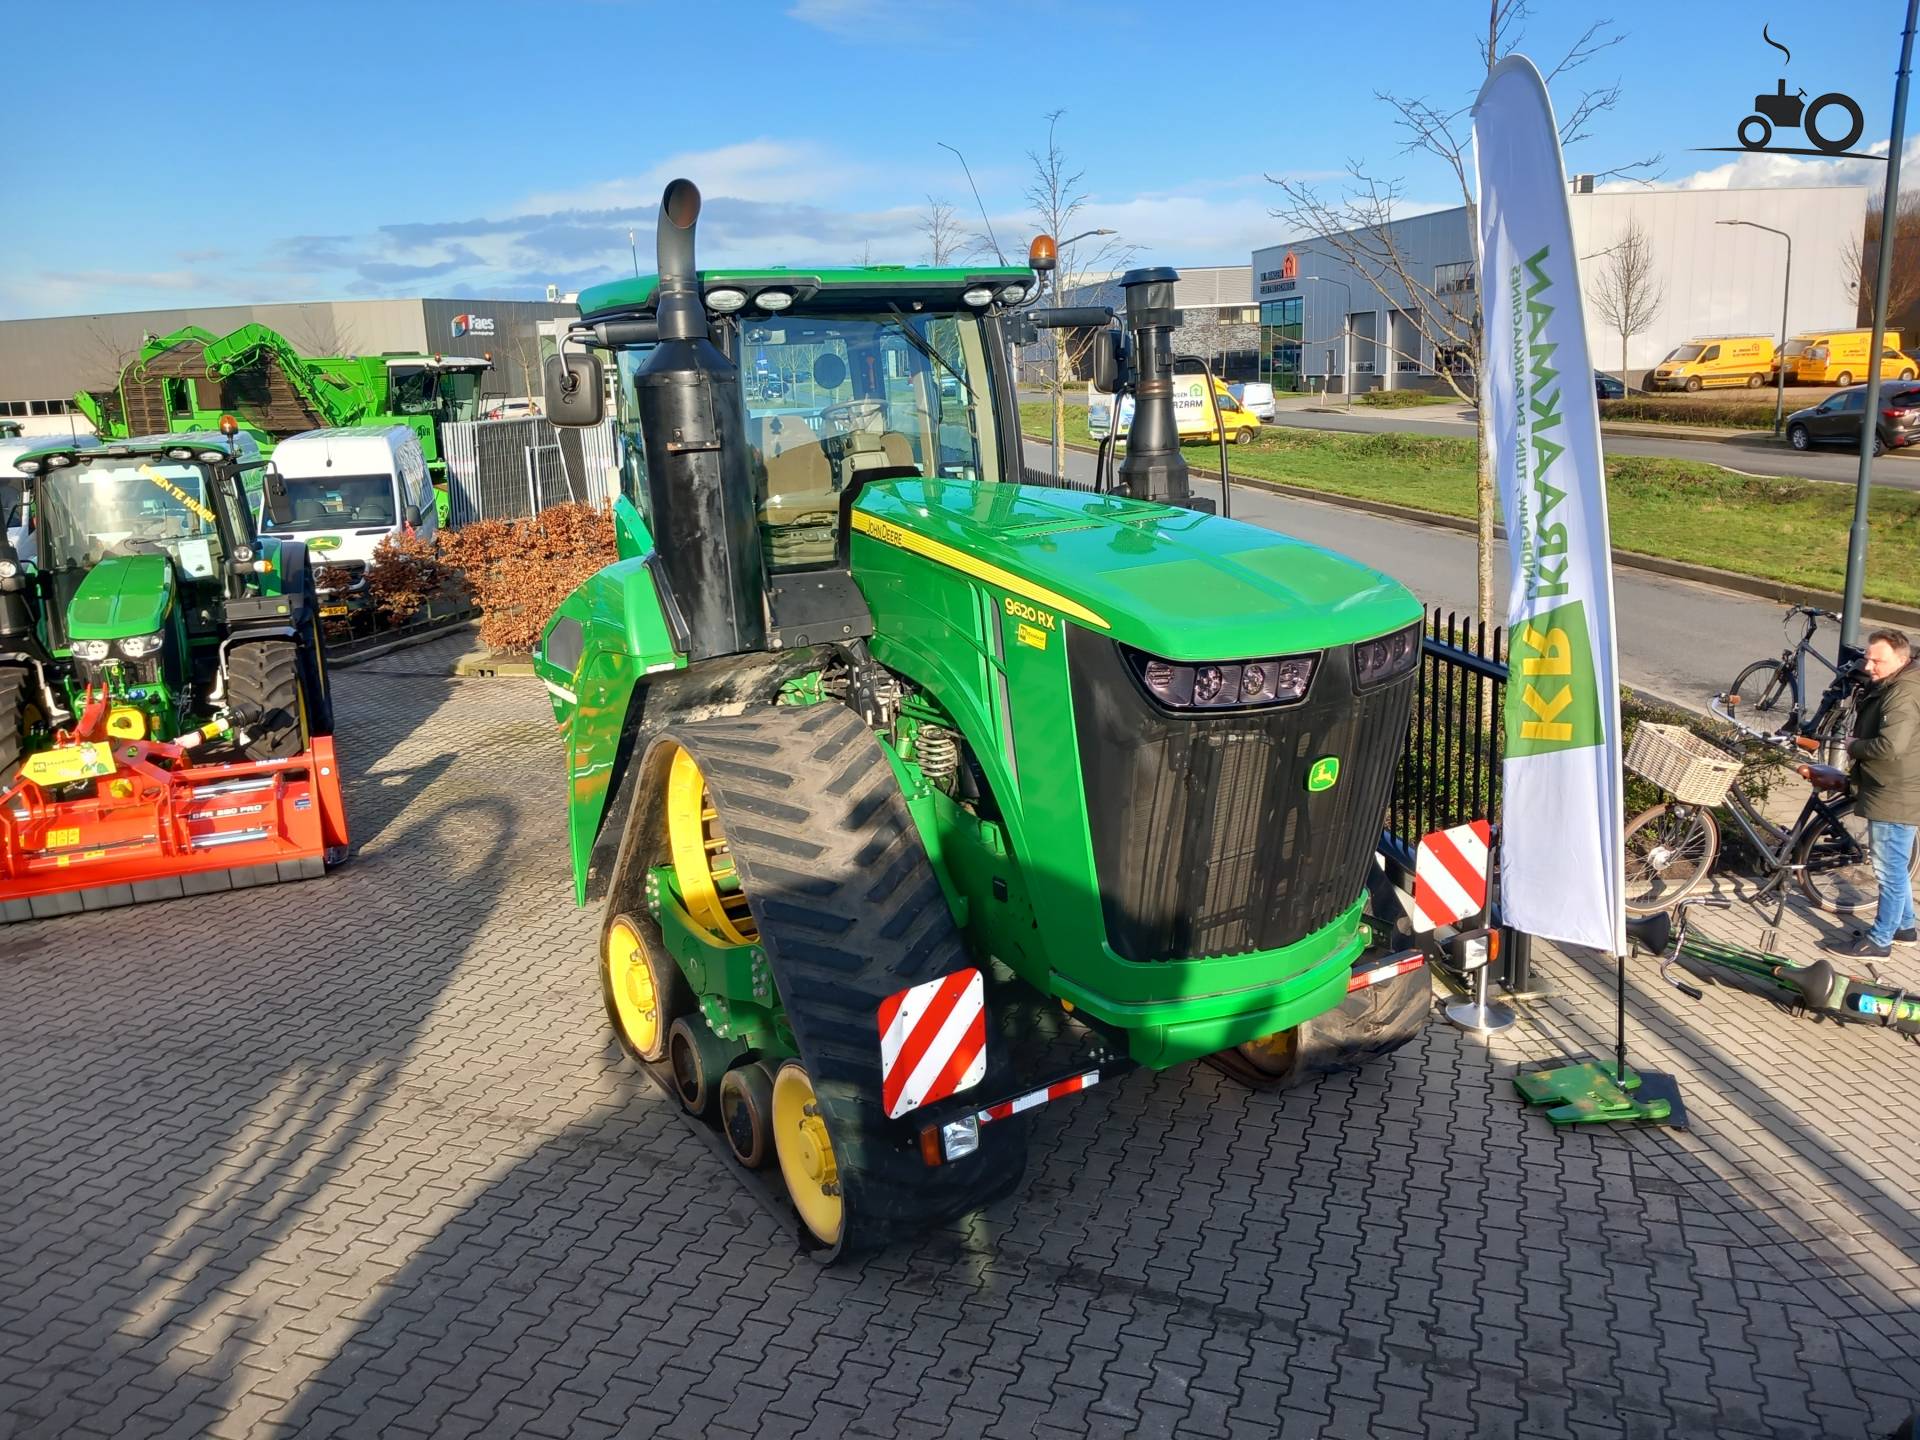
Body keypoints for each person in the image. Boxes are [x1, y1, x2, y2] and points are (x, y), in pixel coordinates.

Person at [1825, 629, 1920, 958]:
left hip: (1894, 791)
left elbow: (1891, 746)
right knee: (1894, 864)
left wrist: (1854, 746)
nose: (1869, 666)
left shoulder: (1904, 693)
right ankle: (1905, 927)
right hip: (1893, 787)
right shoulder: (1897, 682)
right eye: (1868, 657)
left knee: (1888, 869)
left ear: (1901, 660)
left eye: (1878, 660)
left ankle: (1880, 940)